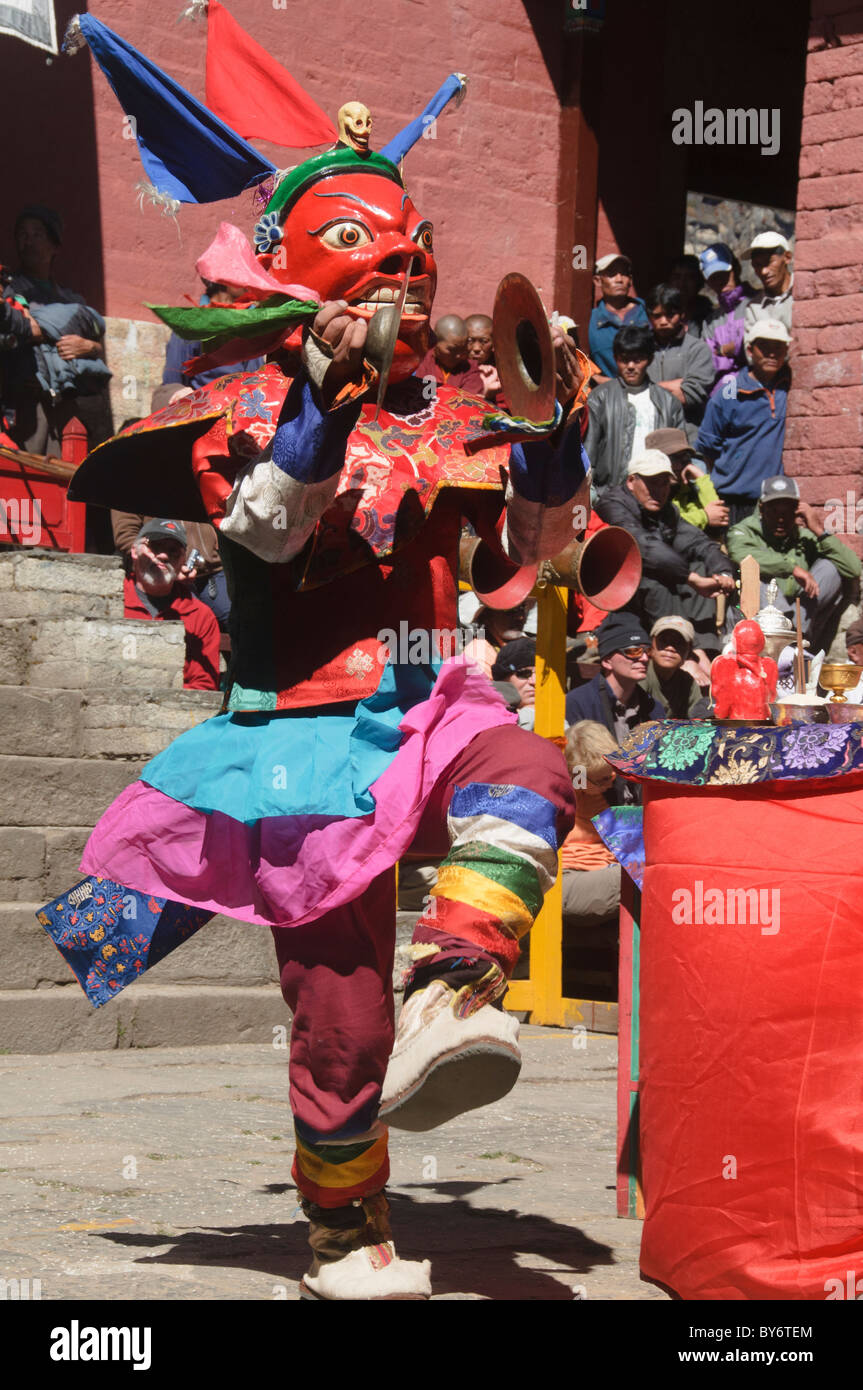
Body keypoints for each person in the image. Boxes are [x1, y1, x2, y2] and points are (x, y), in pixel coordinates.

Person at [63, 120, 594, 1298]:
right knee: (335, 1028)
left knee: (531, 764)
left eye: (411, 239)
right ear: (295, 265)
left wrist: (555, 428)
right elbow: (266, 531)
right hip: (304, 733)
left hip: (433, 693)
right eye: (357, 236)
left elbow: (543, 562)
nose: (398, 260)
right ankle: (344, 1230)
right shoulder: (240, 397)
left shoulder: (457, 410)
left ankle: (448, 982)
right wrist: (321, 408)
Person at [111, 386, 232, 631]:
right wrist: (167, 566)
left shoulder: (204, 461)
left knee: (251, 621)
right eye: (182, 406)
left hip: (214, 575)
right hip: (161, 575)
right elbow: (126, 536)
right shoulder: (134, 472)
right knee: (185, 625)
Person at [596, 450, 735, 658]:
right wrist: (690, 578)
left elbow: (701, 543)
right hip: (612, 588)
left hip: (648, 589)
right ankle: (684, 652)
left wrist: (723, 574)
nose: (658, 491)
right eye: (651, 483)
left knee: (699, 567)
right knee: (659, 577)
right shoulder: (613, 504)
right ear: (632, 481)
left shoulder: (667, 512)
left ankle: (704, 650)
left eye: (664, 484)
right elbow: (642, 546)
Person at [7, 205, 113, 456]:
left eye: (37, 234)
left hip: (68, 402)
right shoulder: (11, 291)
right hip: (27, 403)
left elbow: (98, 348)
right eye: (22, 234)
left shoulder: (70, 300)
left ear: (55, 247)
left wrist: (88, 347)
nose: (28, 241)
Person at [726, 475, 861, 650]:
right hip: (759, 624)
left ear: (797, 511)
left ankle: (792, 638)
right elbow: (740, 554)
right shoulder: (743, 531)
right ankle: (785, 638)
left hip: (799, 619)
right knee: (755, 571)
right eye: (773, 511)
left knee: (831, 569)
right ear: (761, 508)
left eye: (787, 512)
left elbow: (853, 568)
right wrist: (792, 567)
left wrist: (819, 530)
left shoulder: (803, 537)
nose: (780, 519)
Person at [696, 318, 791, 525]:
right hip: (732, 499)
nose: (772, 354)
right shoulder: (730, 393)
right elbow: (708, 445)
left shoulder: (789, 386)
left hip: (772, 499)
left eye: (778, 347)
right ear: (750, 350)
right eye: (764, 347)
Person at [584, 324, 685, 496]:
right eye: (624, 359)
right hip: (609, 493)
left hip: (655, 494)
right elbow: (588, 453)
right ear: (615, 358)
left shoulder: (669, 403)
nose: (630, 366)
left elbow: (679, 454)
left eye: (637, 360)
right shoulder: (600, 398)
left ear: (650, 359)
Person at [123, 519, 221, 691]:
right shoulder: (111, 602)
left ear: (183, 560)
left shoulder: (200, 616)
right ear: (134, 551)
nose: (163, 556)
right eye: (154, 547)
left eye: (173, 552)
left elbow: (204, 686)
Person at [560, 720, 621, 935]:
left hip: (605, 871)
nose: (611, 782)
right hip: (570, 878)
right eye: (603, 779)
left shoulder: (604, 793)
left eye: (612, 773)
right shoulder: (568, 797)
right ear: (578, 777)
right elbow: (574, 773)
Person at [564, 613, 663, 737]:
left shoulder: (653, 708)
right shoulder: (577, 703)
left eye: (647, 651)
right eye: (633, 651)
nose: (644, 658)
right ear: (607, 661)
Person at [163, 278, 265, 391]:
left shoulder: (247, 328)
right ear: (223, 280)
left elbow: (256, 383)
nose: (249, 283)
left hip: (241, 404)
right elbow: (172, 384)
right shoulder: (191, 325)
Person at [644, 284, 715, 438]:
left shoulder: (697, 349)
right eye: (657, 316)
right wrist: (674, 384)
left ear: (682, 314)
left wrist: (646, 389)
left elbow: (689, 394)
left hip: (686, 438)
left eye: (670, 315)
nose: (663, 321)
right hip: (647, 436)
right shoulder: (641, 349)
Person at [645, 426, 728, 534]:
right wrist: (704, 517)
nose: (680, 465)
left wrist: (701, 478)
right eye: (673, 459)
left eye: (685, 457)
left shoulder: (688, 490)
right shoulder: (646, 492)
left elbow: (720, 517)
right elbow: (661, 525)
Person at [697, 243, 756, 379]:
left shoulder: (756, 304)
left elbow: (760, 351)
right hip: (724, 389)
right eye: (714, 277)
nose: (719, 281)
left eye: (724, 274)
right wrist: (737, 349)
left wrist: (723, 350)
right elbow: (707, 363)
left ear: (736, 269)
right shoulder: (711, 321)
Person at [588, 253, 649, 380]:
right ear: (598, 280)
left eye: (624, 274)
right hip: (608, 393)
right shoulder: (591, 320)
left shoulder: (648, 312)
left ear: (630, 280)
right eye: (612, 274)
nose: (619, 279)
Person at [642, 616, 709, 718]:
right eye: (663, 641)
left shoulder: (687, 681)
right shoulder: (642, 674)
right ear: (651, 645)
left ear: (688, 651)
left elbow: (698, 720)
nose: (670, 648)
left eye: (678, 643)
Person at [414, 313, 484, 393]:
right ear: (436, 343)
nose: (459, 355)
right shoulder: (422, 362)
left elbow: (467, 399)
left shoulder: (469, 368)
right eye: (452, 350)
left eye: (462, 348)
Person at [744, 232, 793, 335]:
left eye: (769, 262)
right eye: (757, 265)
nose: (763, 271)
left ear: (787, 257)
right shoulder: (754, 309)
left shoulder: (806, 293)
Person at [490, 636, 536, 727]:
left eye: (541, 675)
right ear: (503, 680)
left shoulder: (562, 709)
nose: (534, 681)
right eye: (524, 674)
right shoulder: (486, 712)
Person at [668, 253, 713, 335]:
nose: (682, 284)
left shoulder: (710, 319)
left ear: (699, 282)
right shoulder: (660, 315)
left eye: (689, 278)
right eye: (677, 277)